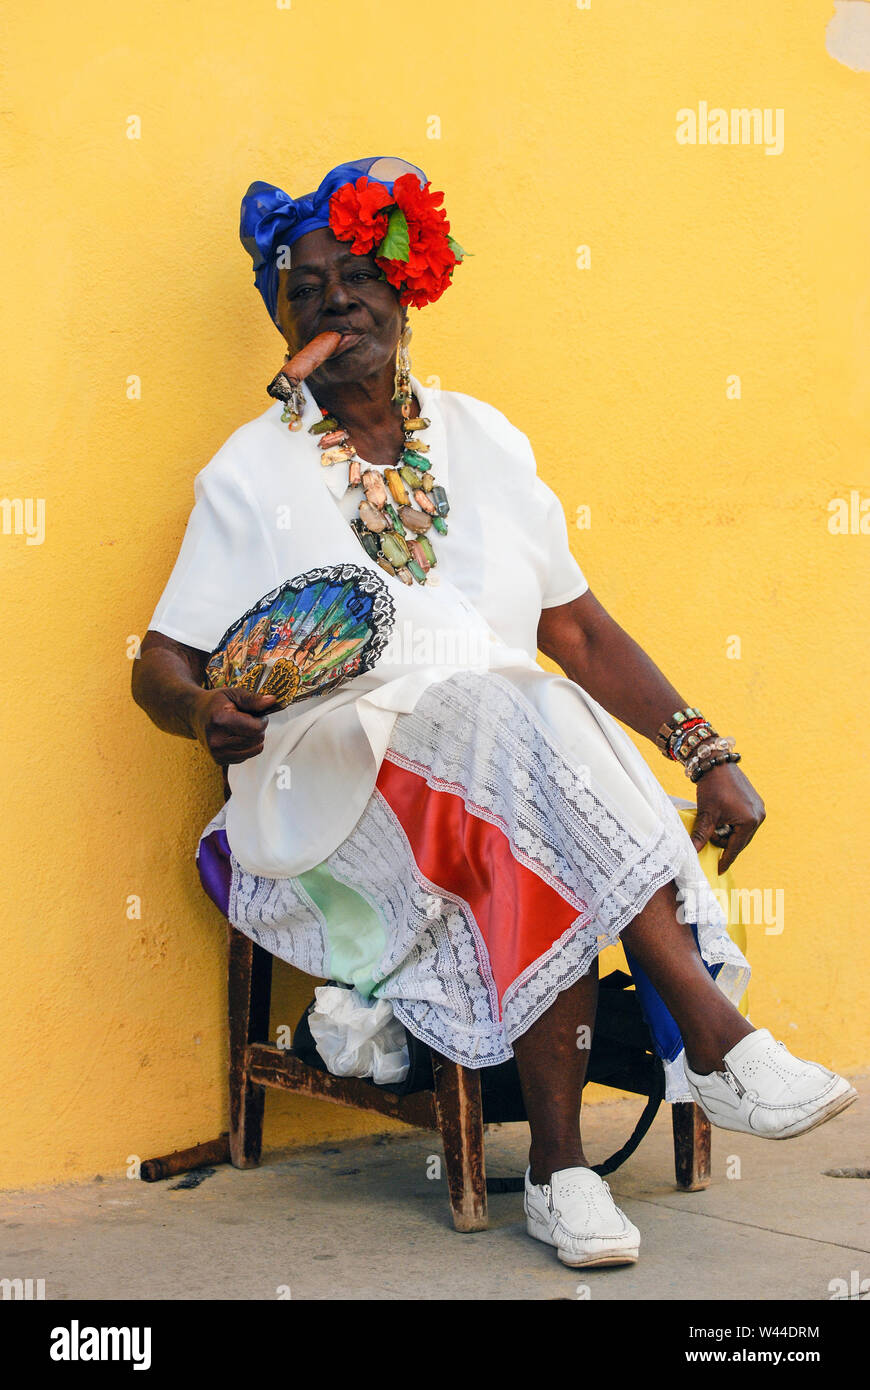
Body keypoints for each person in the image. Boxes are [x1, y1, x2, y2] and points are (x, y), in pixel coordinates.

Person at [132, 156, 857, 1270]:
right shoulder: (250, 469)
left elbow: (583, 636)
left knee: (518, 731)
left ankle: (565, 1178)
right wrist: (198, 712)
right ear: (284, 323)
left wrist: (707, 749)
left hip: (500, 772)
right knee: (516, 715)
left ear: (405, 291)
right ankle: (716, 1037)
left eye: (355, 277)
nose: (333, 301)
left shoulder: (488, 443)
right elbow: (161, 663)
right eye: (304, 289)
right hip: (332, 790)